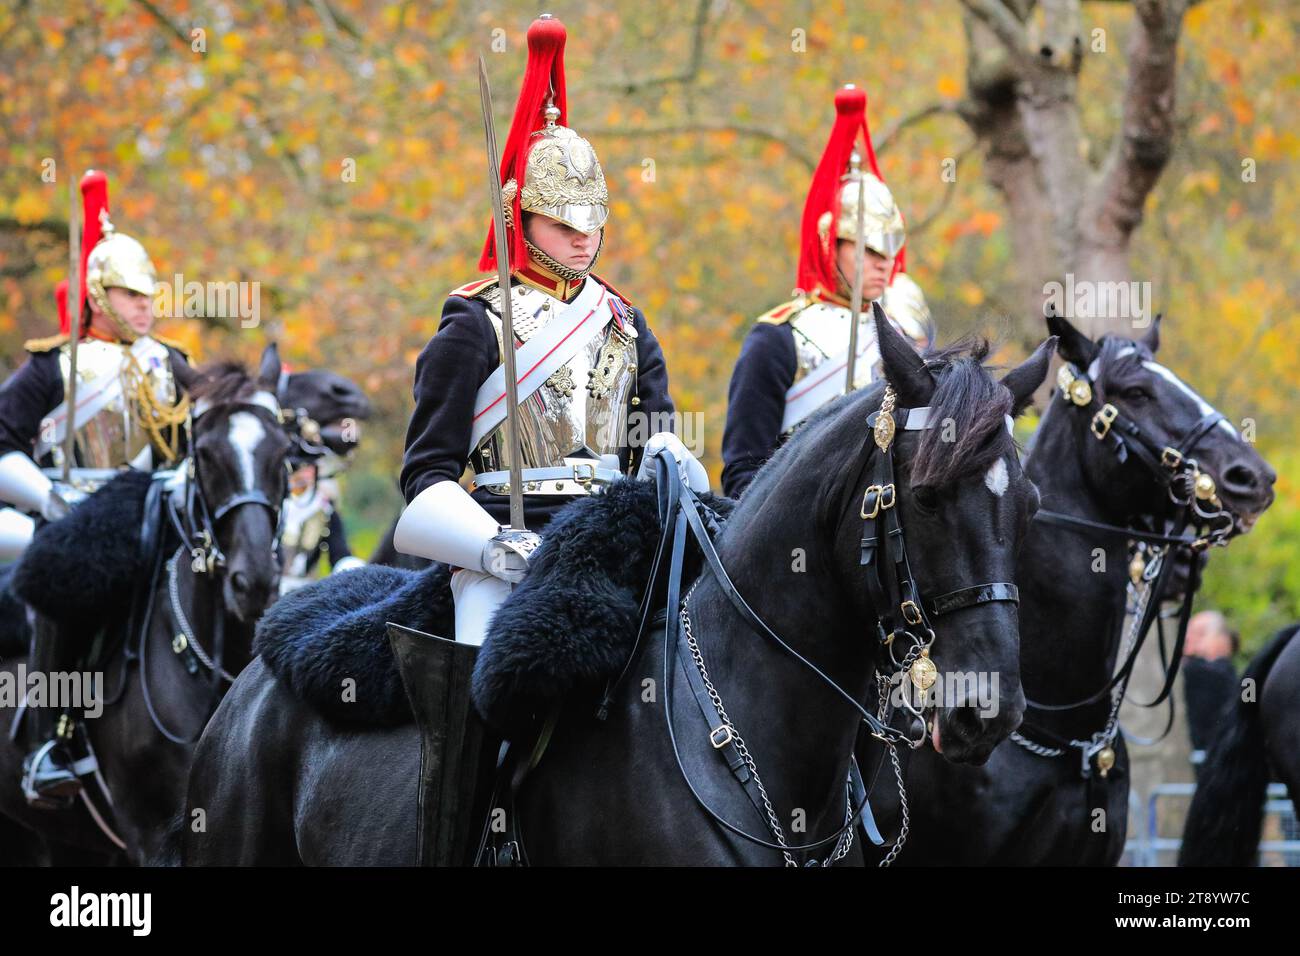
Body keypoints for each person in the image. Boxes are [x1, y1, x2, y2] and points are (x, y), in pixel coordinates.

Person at [394, 15, 703, 648]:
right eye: (564, 222)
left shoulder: (624, 320)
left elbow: (652, 441)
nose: (583, 237)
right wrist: (490, 547)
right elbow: (426, 472)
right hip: (502, 547)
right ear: (520, 215)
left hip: (613, 546)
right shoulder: (474, 318)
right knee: (482, 687)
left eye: (592, 222)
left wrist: (671, 461)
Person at [0, 170, 192, 806]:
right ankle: (50, 740)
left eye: (149, 296)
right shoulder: (54, 364)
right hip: (75, 510)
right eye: (131, 296)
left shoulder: (172, 362)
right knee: (68, 576)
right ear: (101, 294)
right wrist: (51, 501)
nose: (146, 307)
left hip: (157, 509)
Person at [720, 85, 931, 499]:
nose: (885, 262)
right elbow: (743, 473)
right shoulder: (778, 338)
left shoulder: (906, 333)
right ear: (828, 242)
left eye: (890, 248)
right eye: (869, 248)